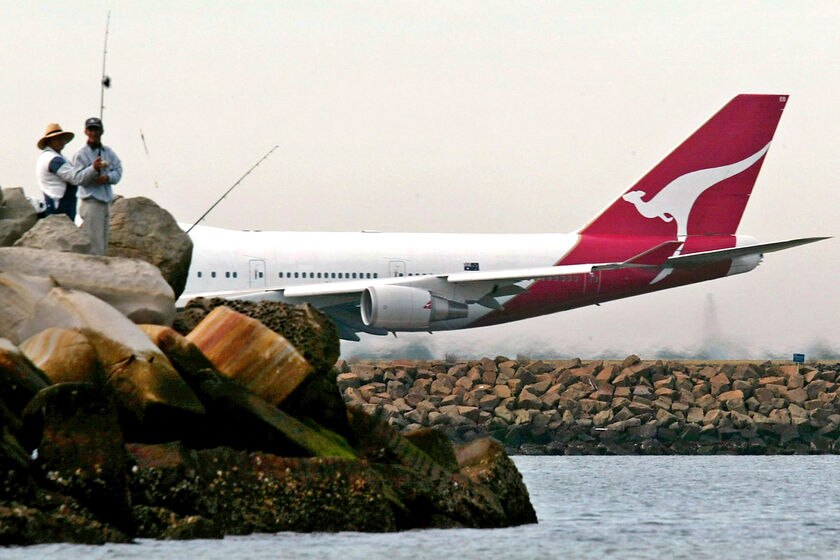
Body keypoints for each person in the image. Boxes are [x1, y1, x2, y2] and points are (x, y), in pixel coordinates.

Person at [72, 117, 122, 256]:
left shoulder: (108, 152)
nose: (94, 133)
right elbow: (77, 178)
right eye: (91, 129)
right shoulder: (80, 154)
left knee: (103, 245)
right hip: (91, 202)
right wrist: (93, 168)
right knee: (95, 246)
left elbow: (118, 171)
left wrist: (108, 177)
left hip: (105, 202)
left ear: (102, 131)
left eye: (96, 129)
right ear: (85, 131)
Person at [36, 123, 103, 220]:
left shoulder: (55, 157)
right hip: (59, 208)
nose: (61, 141)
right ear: (49, 141)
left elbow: (76, 174)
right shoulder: (54, 159)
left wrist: (91, 169)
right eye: (56, 138)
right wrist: (93, 168)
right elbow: (75, 178)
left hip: (61, 206)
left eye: (61, 138)